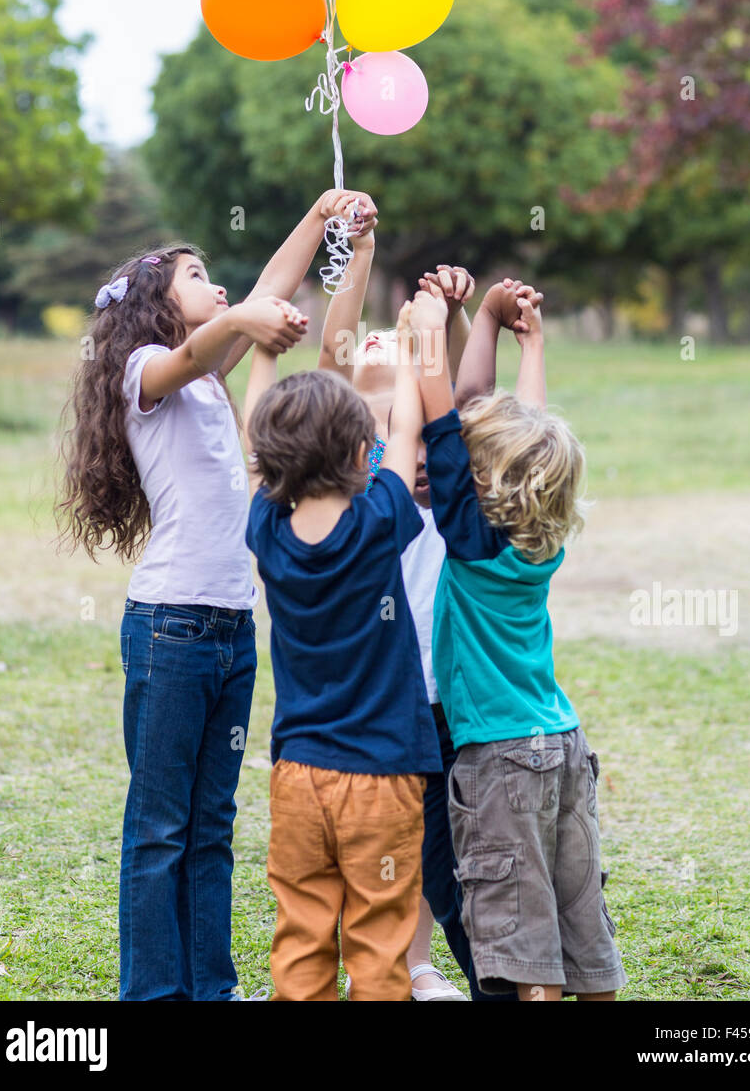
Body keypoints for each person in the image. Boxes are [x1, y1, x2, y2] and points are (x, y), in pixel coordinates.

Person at [56, 189, 376, 1001]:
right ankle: (152, 993)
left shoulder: (208, 381)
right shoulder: (145, 375)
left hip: (233, 631)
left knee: (212, 827)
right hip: (170, 628)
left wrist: (319, 219)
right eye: (199, 276)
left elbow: (262, 294)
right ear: (160, 306)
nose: (221, 287)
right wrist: (241, 324)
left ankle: (211, 989)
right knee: (159, 828)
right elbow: (199, 350)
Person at [408, 277, 627, 1001]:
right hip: (563, 744)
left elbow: (442, 418)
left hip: (498, 757)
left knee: (519, 945)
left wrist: (429, 330)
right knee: (579, 922)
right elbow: (528, 437)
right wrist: (524, 337)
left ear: (477, 479)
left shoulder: (466, 540)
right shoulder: (543, 540)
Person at [320, 247, 511, 1000]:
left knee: (438, 837)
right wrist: (358, 257)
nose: (387, 413)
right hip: (376, 686)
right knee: (383, 832)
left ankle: (422, 960)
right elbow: (337, 352)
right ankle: (393, 958)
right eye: (373, 399)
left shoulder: (440, 462)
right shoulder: (355, 471)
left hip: (443, 682)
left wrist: (461, 313)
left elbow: (469, 391)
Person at [244, 299, 442, 1001]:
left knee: (300, 933)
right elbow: (411, 428)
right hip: (383, 775)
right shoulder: (381, 516)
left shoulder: (267, 528)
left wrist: (260, 348)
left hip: (297, 772)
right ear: (365, 453)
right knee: (379, 940)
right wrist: (422, 345)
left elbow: (253, 444)